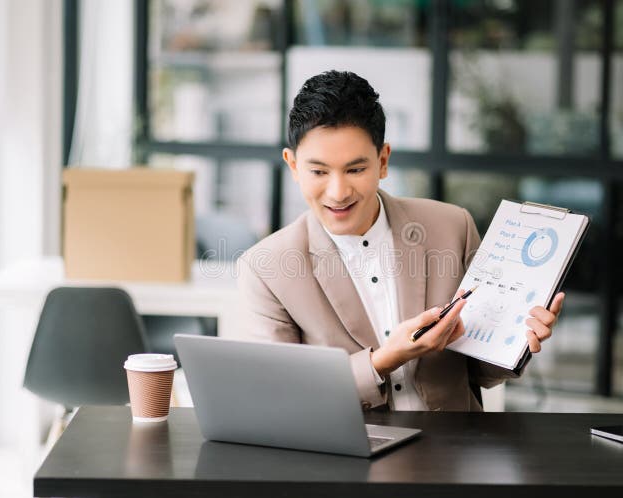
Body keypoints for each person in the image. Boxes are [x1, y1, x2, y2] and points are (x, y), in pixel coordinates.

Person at [234, 70, 564, 411]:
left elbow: (480, 372)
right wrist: (382, 361)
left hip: (455, 452)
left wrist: (516, 341)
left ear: (383, 160)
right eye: (318, 172)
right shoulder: (266, 268)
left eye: (355, 170)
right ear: (292, 165)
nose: (338, 192)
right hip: (348, 457)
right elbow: (280, 398)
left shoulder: (453, 227)